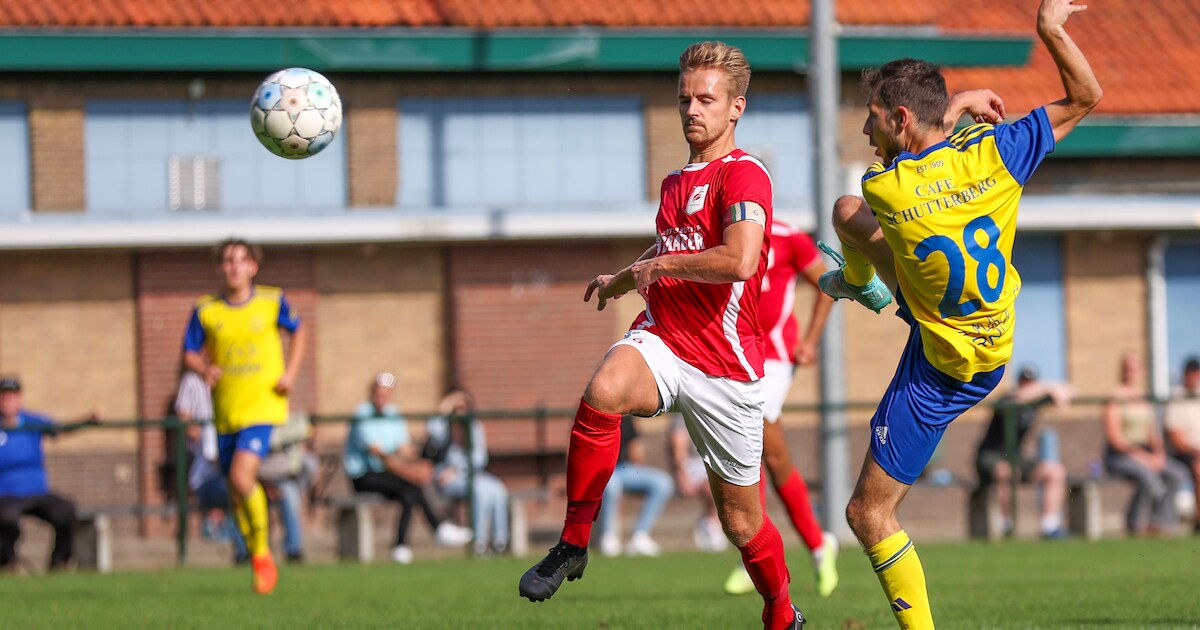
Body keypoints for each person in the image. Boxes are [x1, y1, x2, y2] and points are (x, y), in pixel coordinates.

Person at [814, 1, 1101, 627]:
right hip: (991, 342)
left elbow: (911, 165)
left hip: (943, 361)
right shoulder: (997, 153)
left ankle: (861, 287)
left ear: (897, 117)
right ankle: (860, 286)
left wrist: (963, 98)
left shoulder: (884, 186)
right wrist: (1050, 31)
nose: (865, 132)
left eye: (870, 119)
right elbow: (1086, 95)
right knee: (844, 215)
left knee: (867, 514)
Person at [519, 41, 805, 630]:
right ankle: (574, 541)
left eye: (707, 99)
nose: (692, 109)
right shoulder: (676, 180)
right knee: (604, 390)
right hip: (666, 337)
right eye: (685, 98)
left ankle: (781, 611)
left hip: (725, 364)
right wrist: (625, 278)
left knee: (741, 523)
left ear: (737, 108)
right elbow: (670, 249)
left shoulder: (745, 175)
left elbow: (741, 259)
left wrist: (661, 269)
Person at [183, 237, 308, 594]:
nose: (234, 266)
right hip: (225, 413)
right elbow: (189, 353)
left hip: (264, 408)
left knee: (241, 477)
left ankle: (264, 554)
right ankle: (256, 552)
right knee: (237, 493)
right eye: (227, 260)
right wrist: (203, 367)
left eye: (241, 260)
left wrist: (292, 373)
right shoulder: (206, 309)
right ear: (220, 267)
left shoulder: (272, 301)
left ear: (254, 266)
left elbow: (299, 332)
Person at [725, 218, 839, 597]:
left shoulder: (790, 238)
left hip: (774, 358)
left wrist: (811, 341)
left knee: (750, 439)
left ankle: (757, 553)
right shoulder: (725, 233)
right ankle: (818, 546)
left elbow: (827, 286)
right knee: (769, 460)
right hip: (735, 357)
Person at [344, 372, 472, 564]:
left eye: (386, 393)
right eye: (379, 393)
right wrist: (412, 473)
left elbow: (405, 449)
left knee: (410, 493)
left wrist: (422, 466)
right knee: (410, 486)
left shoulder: (393, 414)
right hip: (363, 475)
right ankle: (434, 530)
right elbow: (383, 456)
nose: (382, 397)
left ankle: (401, 546)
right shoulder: (362, 416)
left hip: (388, 473)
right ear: (372, 393)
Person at [0, 375, 97, 572]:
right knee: (6, 518)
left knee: (66, 510)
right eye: (4, 397)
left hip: (37, 493)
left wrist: (87, 421)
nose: (8, 401)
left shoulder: (32, 421)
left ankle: (58, 563)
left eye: (12, 396)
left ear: (20, 398)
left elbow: (61, 429)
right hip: (6, 495)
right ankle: (7, 563)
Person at [974, 363, 1072, 538]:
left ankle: (1050, 526)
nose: (1028, 385)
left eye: (1031, 382)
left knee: (1055, 471)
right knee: (1006, 472)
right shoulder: (1007, 399)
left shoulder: (1037, 402)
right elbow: (1018, 398)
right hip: (990, 457)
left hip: (1016, 457)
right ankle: (1007, 525)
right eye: (1025, 381)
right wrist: (1047, 389)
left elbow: (1070, 391)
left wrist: (1057, 392)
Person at [1104, 352, 1189, 536]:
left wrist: (1158, 454)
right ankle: (1134, 524)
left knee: (1177, 474)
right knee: (1148, 478)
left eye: (1134, 368)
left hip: (1146, 453)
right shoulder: (1115, 396)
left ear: (1140, 371)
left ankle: (1159, 522)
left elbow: (1153, 431)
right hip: (1120, 455)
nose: (1131, 372)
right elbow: (1114, 438)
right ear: (1122, 370)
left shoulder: (1143, 397)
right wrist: (1141, 456)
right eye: (1127, 368)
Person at [175, 368, 249, 564]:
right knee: (235, 488)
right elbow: (211, 454)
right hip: (207, 478)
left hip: (229, 471)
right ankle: (242, 548)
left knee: (246, 487)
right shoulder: (193, 384)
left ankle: (252, 548)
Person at [426, 388, 510, 556]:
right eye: (457, 407)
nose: (460, 411)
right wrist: (448, 403)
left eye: (463, 406)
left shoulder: (475, 427)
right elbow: (432, 428)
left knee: (498, 489)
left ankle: (500, 541)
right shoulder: (445, 427)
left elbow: (480, 458)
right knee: (479, 492)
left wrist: (458, 469)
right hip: (446, 477)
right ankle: (478, 542)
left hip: (469, 473)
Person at [593, 416, 675, 557]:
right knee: (612, 485)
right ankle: (608, 537)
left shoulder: (625, 416)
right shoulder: (593, 414)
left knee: (662, 483)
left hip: (624, 469)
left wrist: (638, 460)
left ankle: (639, 536)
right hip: (600, 471)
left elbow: (635, 448)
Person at [259, 409, 316, 563]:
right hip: (258, 479)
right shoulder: (257, 418)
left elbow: (305, 430)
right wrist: (266, 483)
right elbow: (269, 441)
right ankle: (252, 552)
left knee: (290, 497)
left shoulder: (294, 417)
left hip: (286, 478)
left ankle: (293, 550)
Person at [667, 413, 727, 552]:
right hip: (692, 464)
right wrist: (681, 473)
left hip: (712, 460)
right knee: (714, 483)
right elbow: (678, 443)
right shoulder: (684, 412)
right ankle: (711, 524)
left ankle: (711, 523)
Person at [1165, 356, 1200, 534]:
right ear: (1184, 375)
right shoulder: (1177, 398)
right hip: (1184, 453)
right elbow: (1177, 439)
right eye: (1191, 373)